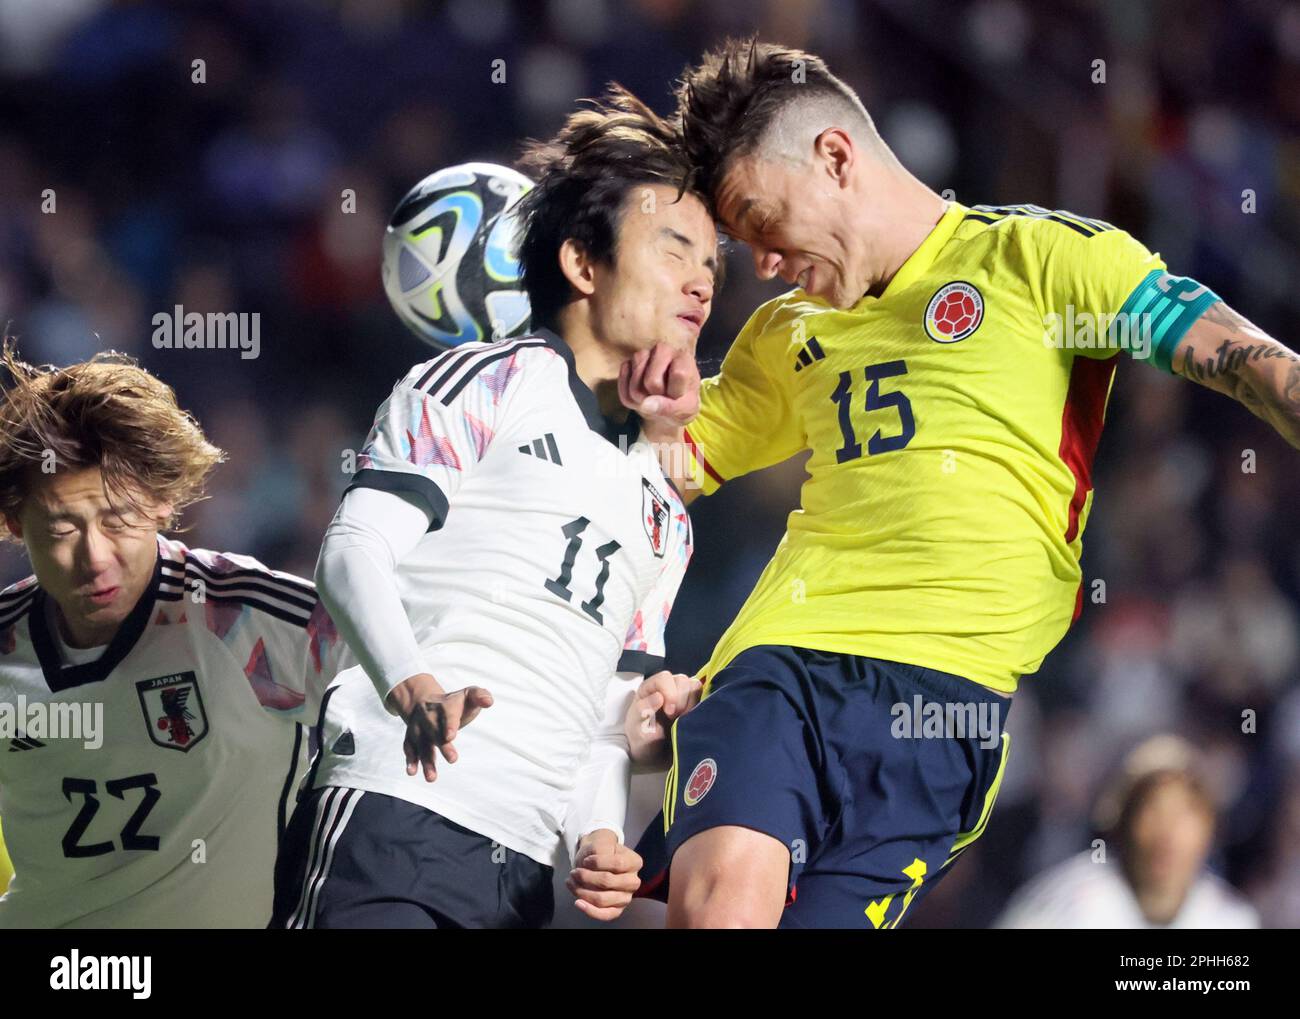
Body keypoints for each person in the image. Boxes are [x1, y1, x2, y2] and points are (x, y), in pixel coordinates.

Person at [619, 38, 1300, 928]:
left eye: (760, 222)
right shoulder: (786, 332)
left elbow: (1246, 362)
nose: (765, 265)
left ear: (834, 158)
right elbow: (659, 478)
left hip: (946, 715)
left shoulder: (1039, 262)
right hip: (780, 670)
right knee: (724, 909)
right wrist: (648, 415)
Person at [270, 90, 714, 929]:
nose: (700, 281)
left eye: (712, 265)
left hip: (519, 876)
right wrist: (412, 688)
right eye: (675, 249)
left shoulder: (665, 507)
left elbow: (601, 721)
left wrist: (599, 834)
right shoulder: (486, 381)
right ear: (583, 264)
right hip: (392, 810)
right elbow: (352, 552)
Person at [0, 347, 347, 927]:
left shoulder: (244, 618)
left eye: (118, 521)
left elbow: (419, 686)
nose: (94, 558)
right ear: (14, 523)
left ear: (163, 501)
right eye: (61, 529)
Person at [996, 736, 1259, 928]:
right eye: (1151, 809)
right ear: (1121, 823)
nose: (1167, 831)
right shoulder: (1062, 907)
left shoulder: (1232, 918)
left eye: (1185, 813)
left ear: (1209, 827)